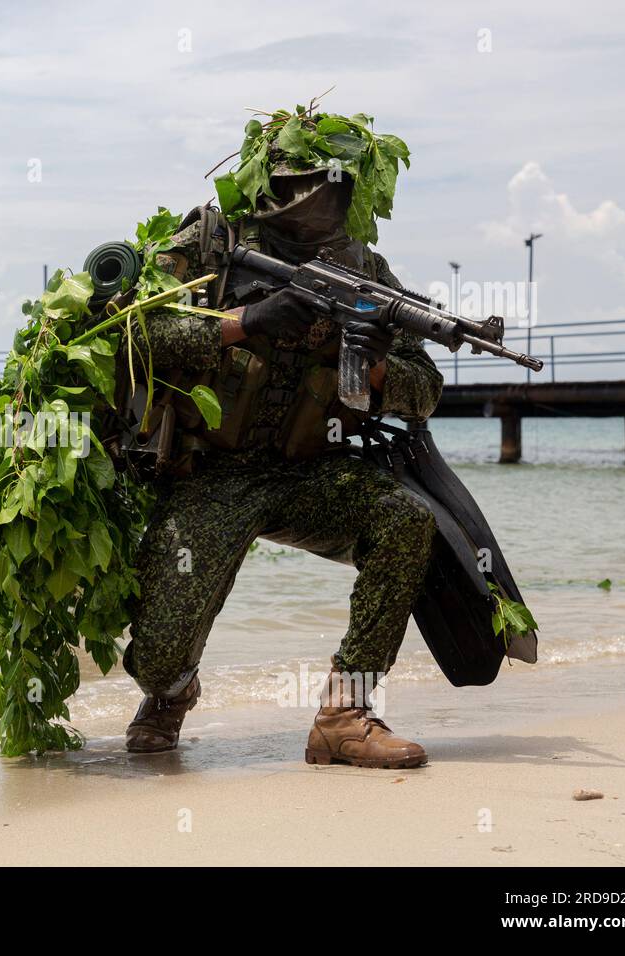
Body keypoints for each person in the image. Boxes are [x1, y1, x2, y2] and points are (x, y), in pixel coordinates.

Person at [120, 133, 442, 769]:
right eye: (298, 186)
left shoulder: (367, 271)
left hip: (308, 470)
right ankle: (170, 694)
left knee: (406, 520)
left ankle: (345, 715)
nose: (312, 202)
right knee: (156, 655)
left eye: (325, 187)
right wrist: (250, 321)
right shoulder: (213, 244)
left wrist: (370, 363)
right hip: (213, 472)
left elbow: (425, 386)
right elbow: (136, 333)